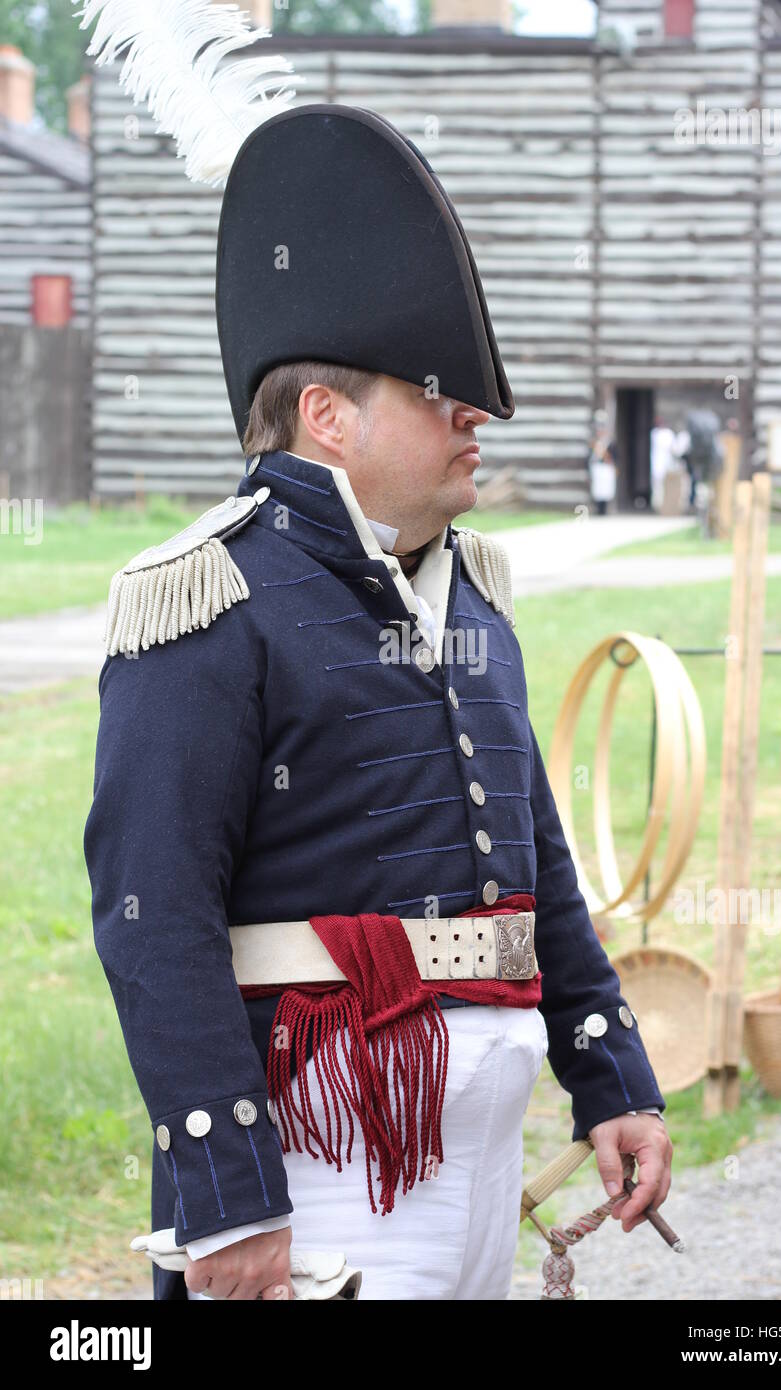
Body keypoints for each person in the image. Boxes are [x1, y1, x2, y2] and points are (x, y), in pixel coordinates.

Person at [83, 105, 670, 1303]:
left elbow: (536, 865)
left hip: (478, 1166)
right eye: (438, 391)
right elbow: (155, 917)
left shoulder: (473, 598)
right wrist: (229, 1194)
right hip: (320, 1169)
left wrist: (612, 1076)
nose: (478, 416)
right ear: (326, 416)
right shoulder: (203, 598)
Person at [588, 410, 618, 516]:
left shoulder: (610, 443)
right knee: (598, 489)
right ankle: (598, 509)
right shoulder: (595, 443)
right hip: (598, 468)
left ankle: (604, 510)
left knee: (606, 489)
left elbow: (613, 457)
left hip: (606, 468)